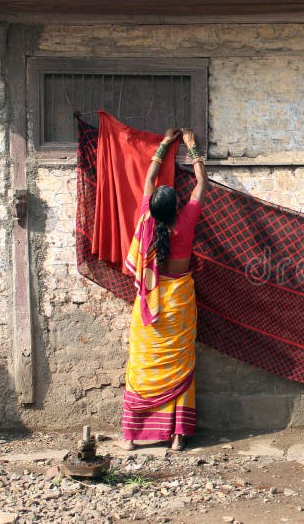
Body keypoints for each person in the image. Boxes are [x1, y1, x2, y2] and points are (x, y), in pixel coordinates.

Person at [119, 127, 209, 451]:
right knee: (179, 365)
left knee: (142, 366)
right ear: (175, 207)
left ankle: (131, 437)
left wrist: (163, 146)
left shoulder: (146, 219)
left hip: (150, 304)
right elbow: (201, 183)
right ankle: (176, 436)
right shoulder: (186, 219)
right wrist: (192, 146)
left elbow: (148, 179)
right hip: (179, 300)